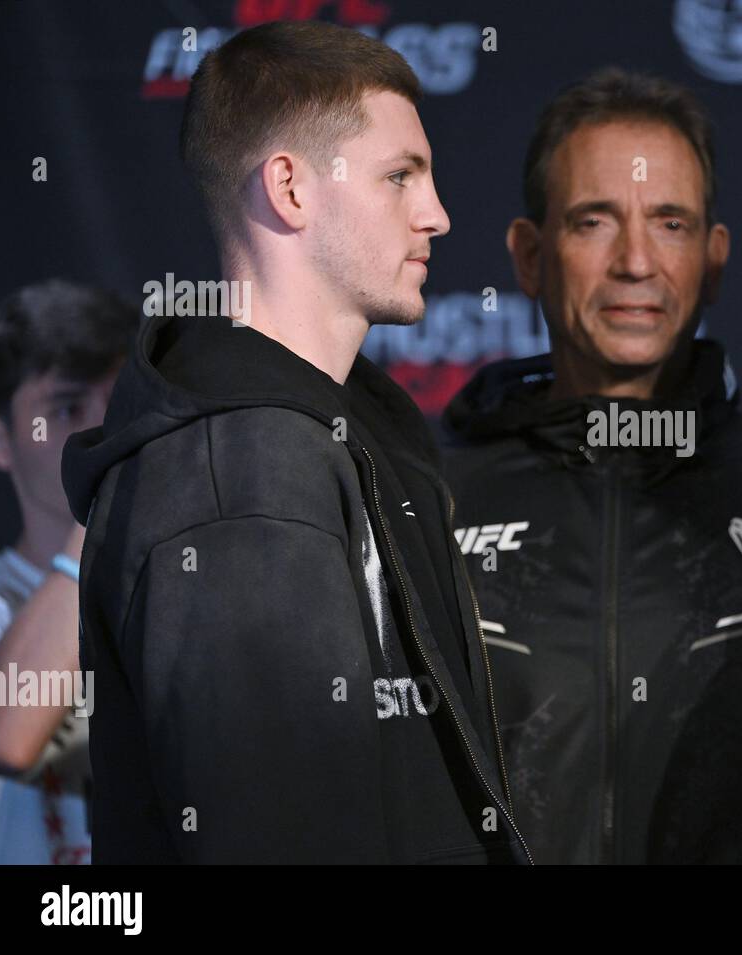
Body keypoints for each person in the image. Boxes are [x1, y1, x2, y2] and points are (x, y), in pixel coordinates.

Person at [60, 20, 530, 863]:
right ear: (290, 187)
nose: (439, 214)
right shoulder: (240, 472)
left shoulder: (331, 438)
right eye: (400, 177)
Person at [441, 69, 742, 863]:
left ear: (714, 259)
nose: (636, 261)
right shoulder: (430, 500)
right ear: (530, 256)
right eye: (593, 221)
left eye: (671, 223)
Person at [0, 279, 135, 864]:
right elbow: (5, 734)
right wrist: (100, 506)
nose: (106, 429)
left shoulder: (178, 593)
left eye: (123, 402)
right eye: (69, 407)